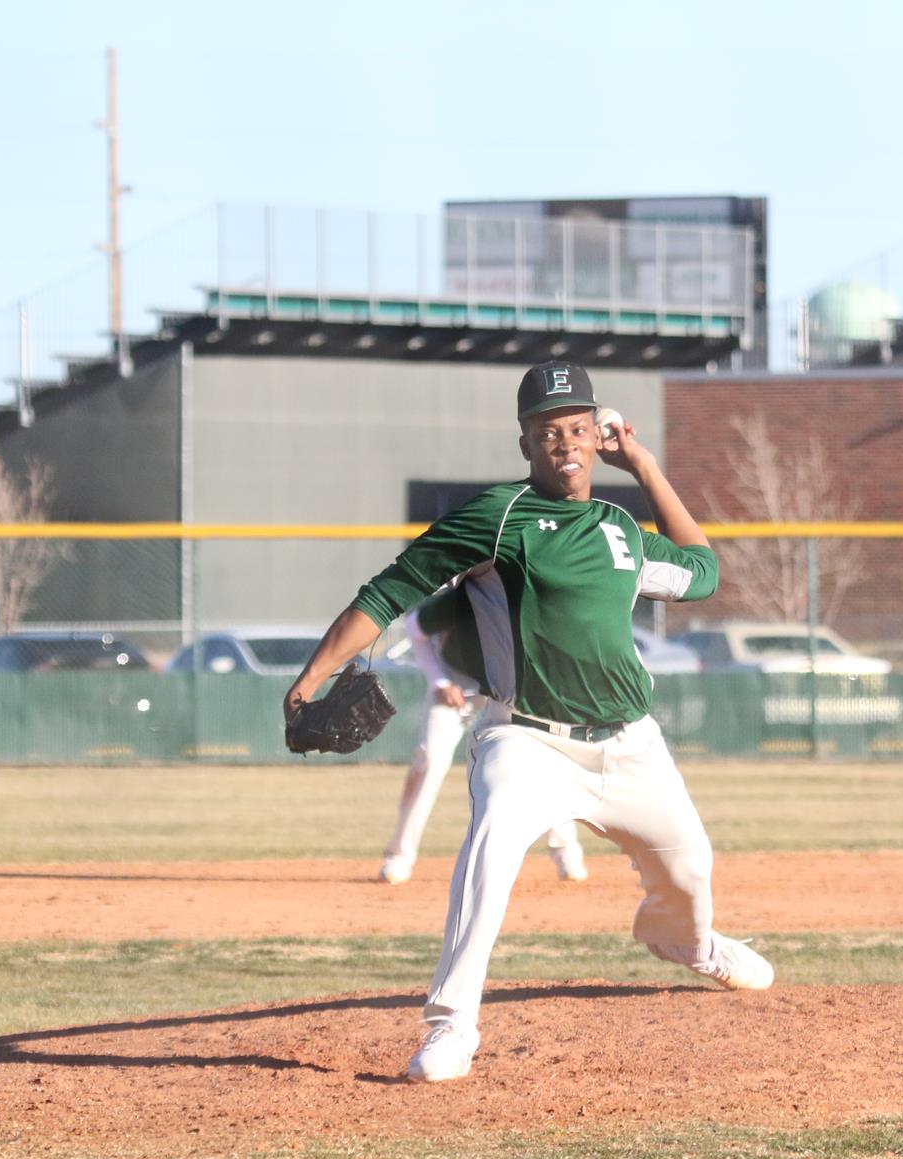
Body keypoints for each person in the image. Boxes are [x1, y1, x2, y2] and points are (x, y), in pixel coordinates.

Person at [285, 360, 773, 1084]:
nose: (566, 442)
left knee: (691, 867)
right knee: (489, 856)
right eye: (548, 431)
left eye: (578, 427)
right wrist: (311, 678)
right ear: (525, 443)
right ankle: (451, 1027)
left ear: (595, 434)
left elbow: (702, 571)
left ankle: (693, 947)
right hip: (527, 738)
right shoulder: (497, 517)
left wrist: (641, 464)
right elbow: (386, 595)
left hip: (631, 743)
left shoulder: (619, 530)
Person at [378, 596, 588, 886]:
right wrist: (439, 681)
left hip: (512, 684)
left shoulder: (527, 594)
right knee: (430, 758)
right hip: (457, 681)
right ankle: (399, 856)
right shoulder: (469, 595)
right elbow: (415, 627)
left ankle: (565, 849)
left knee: (539, 760)